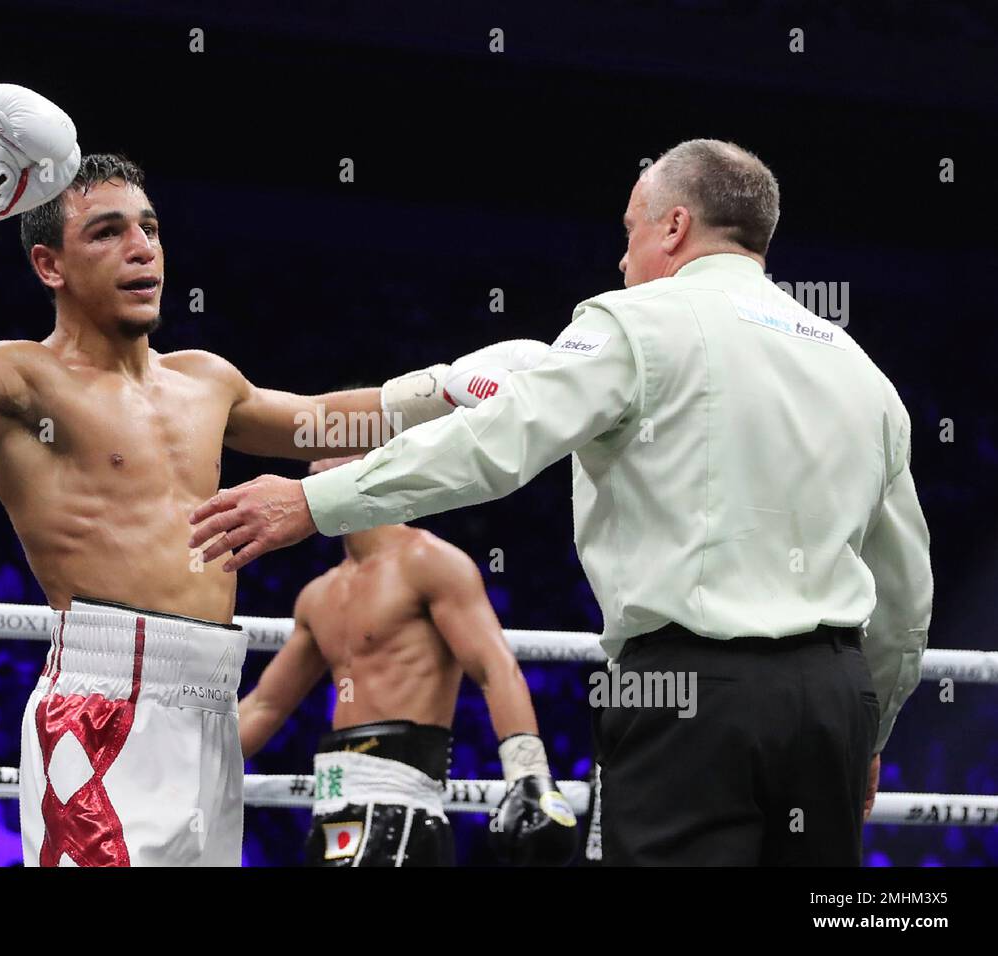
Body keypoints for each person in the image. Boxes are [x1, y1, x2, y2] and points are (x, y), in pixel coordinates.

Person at [188, 139, 933, 866]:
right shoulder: (862, 373)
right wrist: (870, 733)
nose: (622, 260)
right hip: (834, 707)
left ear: (674, 225)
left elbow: (492, 445)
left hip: (689, 694)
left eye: (630, 230)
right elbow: (906, 598)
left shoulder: (637, 322)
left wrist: (314, 500)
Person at [0, 84, 547, 866]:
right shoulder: (27, 381)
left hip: (211, 708)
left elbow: (320, 423)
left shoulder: (205, 379)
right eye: (109, 232)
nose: (142, 248)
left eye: (150, 228)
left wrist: (444, 388)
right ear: (49, 264)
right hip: (100, 707)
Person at [239, 456, 577, 866]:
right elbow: (266, 705)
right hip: (331, 811)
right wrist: (188, 765)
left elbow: (494, 667)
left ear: (368, 460)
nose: (313, 470)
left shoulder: (429, 563)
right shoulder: (318, 595)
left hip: (402, 807)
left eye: (329, 455)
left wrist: (528, 774)